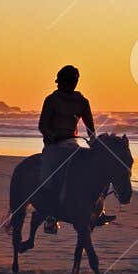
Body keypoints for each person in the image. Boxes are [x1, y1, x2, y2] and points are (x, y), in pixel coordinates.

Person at [37, 65, 95, 231]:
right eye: (69, 81)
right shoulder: (51, 100)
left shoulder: (83, 102)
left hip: (72, 143)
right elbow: (43, 125)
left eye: (73, 81)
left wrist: (94, 141)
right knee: (50, 175)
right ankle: (50, 215)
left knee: (93, 168)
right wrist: (53, 136)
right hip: (54, 145)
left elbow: (90, 127)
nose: (71, 84)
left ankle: (97, 209)